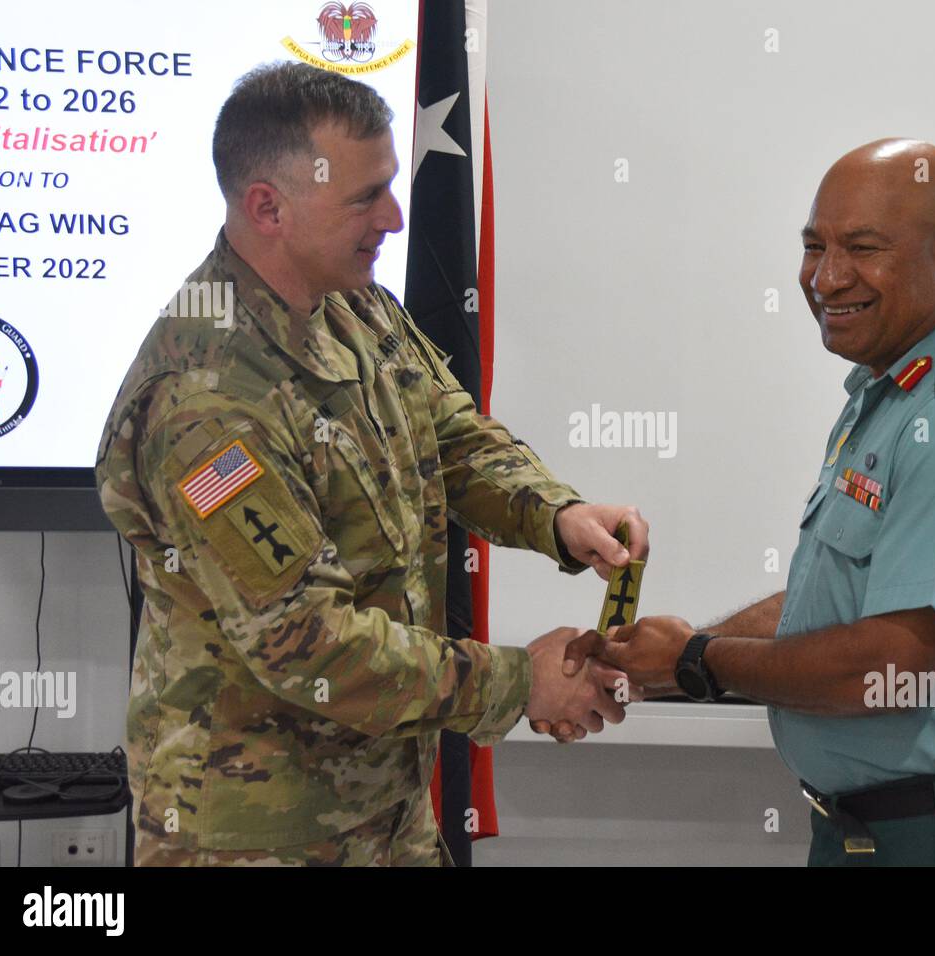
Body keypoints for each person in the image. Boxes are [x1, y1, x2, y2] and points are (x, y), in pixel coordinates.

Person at [95, 62, 646, 866]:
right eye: (365, 197)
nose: (393, 217)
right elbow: (307, 640)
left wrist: (555, 516)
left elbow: (451, 436)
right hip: (256, 834)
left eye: (390, 186)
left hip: (385, 810)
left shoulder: (353, 301)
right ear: (267, 207)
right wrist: (519, 683)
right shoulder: (205, 401)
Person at [567, 138, 935, 866]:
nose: (828, 276)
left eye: (863, 247)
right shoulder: (897, 387)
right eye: (815, 246)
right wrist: (677, 656)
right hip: (886, 833)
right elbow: (838, 604)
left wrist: (697, 660)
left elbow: (893, 664)